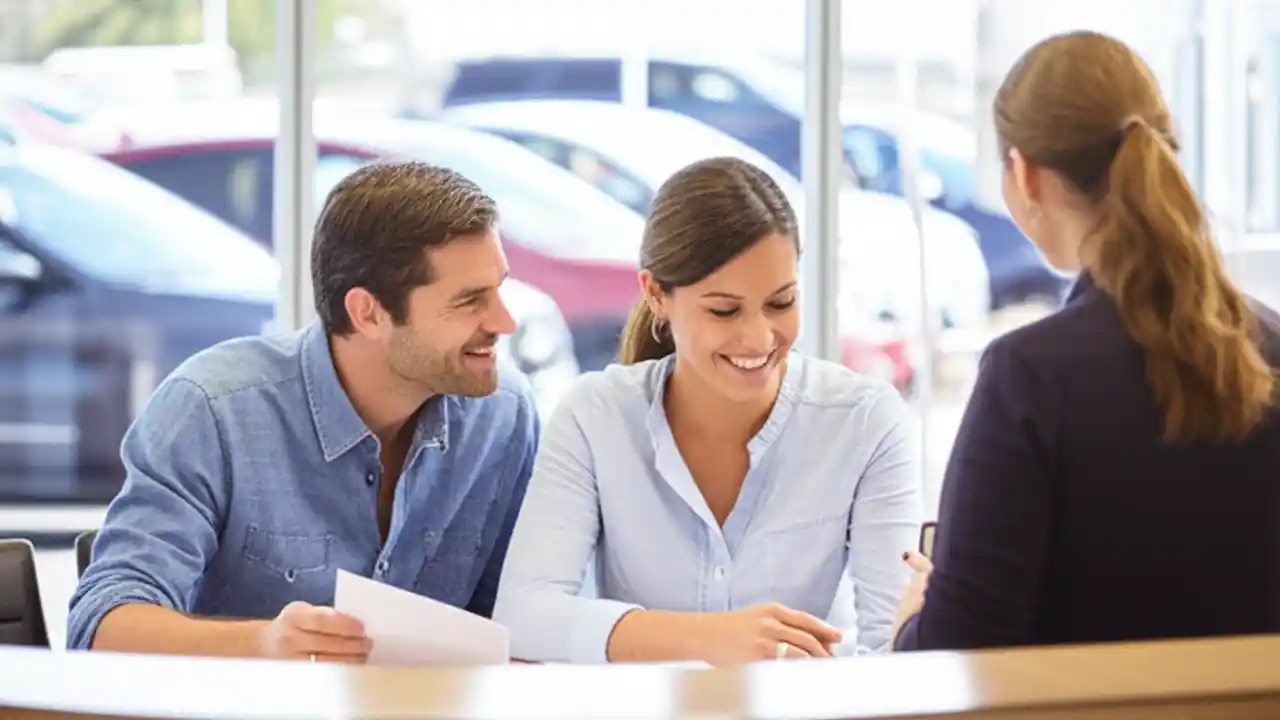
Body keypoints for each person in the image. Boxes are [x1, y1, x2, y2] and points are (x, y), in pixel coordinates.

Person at [893, 31, 1280, 651]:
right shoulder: (1272, 346)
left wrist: (914, 619)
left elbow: (958, 658)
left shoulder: (1029, 377)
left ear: (1024, 174)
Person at [67, 162, 540, 661]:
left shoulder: (503, 417)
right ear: (369, 313)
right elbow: (100, 627)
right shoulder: (212, 410)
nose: (504, 322)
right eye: (470, 301)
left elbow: (514, 627)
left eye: (499, 289)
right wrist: (262, 644)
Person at [493, 157, 921, 664]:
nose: (760, 337)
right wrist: (708, 637)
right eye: (724, 310)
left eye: (781, 302)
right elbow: (523, 617)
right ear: (656, 294)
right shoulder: (596, 415)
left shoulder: (864, 420)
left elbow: (894, 648)